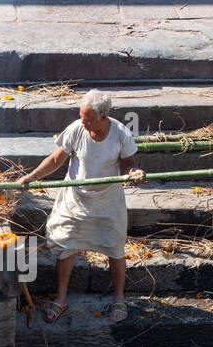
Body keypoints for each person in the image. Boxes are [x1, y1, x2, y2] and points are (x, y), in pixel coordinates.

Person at [16, 89, 144, 324]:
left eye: (89, 118)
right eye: (81, 116)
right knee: (66, 246)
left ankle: (118, 298)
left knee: (115, 249)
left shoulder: (121, 134)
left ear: (104, 116)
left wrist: (133, 173)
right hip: (75, 199)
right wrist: (32, 176)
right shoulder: (76, 129)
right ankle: (61, 298)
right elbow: (56, 160)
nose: (83, 121)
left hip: (107, 201)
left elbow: (128, 164)